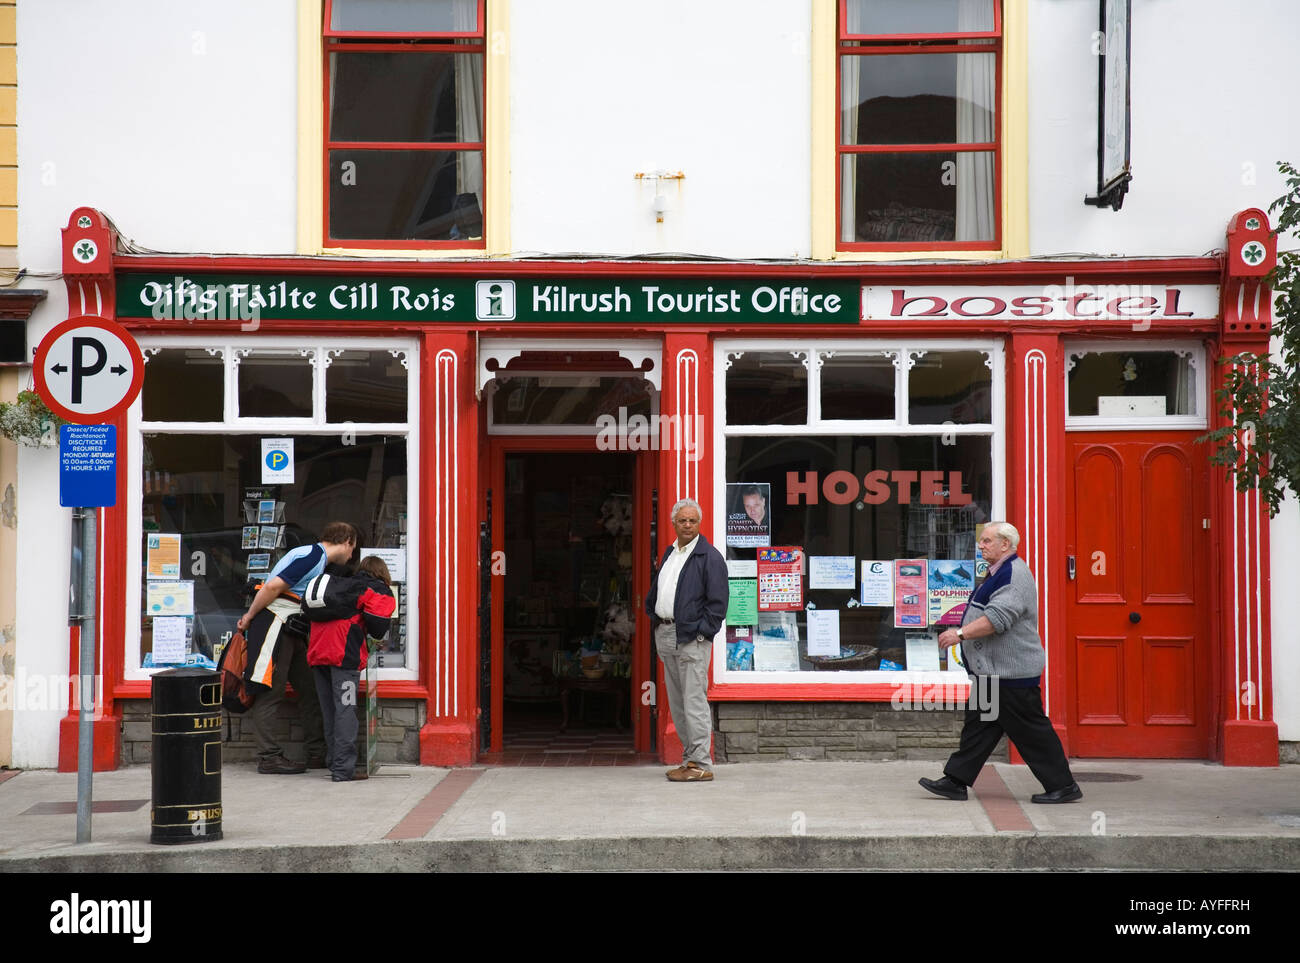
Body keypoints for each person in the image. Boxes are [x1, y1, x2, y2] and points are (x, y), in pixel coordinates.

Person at [919, 522, 1082, 804]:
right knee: (979, 726)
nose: (980, 545)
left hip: (1010, 673)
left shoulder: (1013, 575)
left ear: (1005, 544)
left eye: (986, 541)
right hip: (990, 672)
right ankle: (955, 781)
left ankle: (1063, 785)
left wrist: (959, 634)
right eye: (981, 541)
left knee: (1032, 731)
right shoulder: (998, 572)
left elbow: (997, 620)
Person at [236, 521, 357, 775]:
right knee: (270, 690)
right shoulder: (312, 556)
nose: (351, 555)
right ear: (347, 541)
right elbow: (272, 587)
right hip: (275, 622)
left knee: (310, 687)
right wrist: (249, 617)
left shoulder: (316, 558)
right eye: (352, 548)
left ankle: (316, 752)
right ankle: (269, 757)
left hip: (290, 628)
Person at [645, 498, 728, 782]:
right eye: (683, 520)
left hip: (692, 637)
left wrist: (702, 633)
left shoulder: (710, 557)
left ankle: (702, 764)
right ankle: (690, 760)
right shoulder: (671, 553)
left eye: (693, 520)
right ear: (674, 523)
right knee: (677, 703)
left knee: (693, 701)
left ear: (699, 523)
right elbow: (660, 591)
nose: (688, 525)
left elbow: (717, 604)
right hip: (667, 633)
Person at [304, 554, 397, 782]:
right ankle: (343, 769)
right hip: (343, 658)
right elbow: (378, 629)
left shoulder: (342, 588)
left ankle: (334, 762)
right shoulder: (373, 589)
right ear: (383, 573)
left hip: (318, 654)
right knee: (346, 711)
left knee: (330, 711)